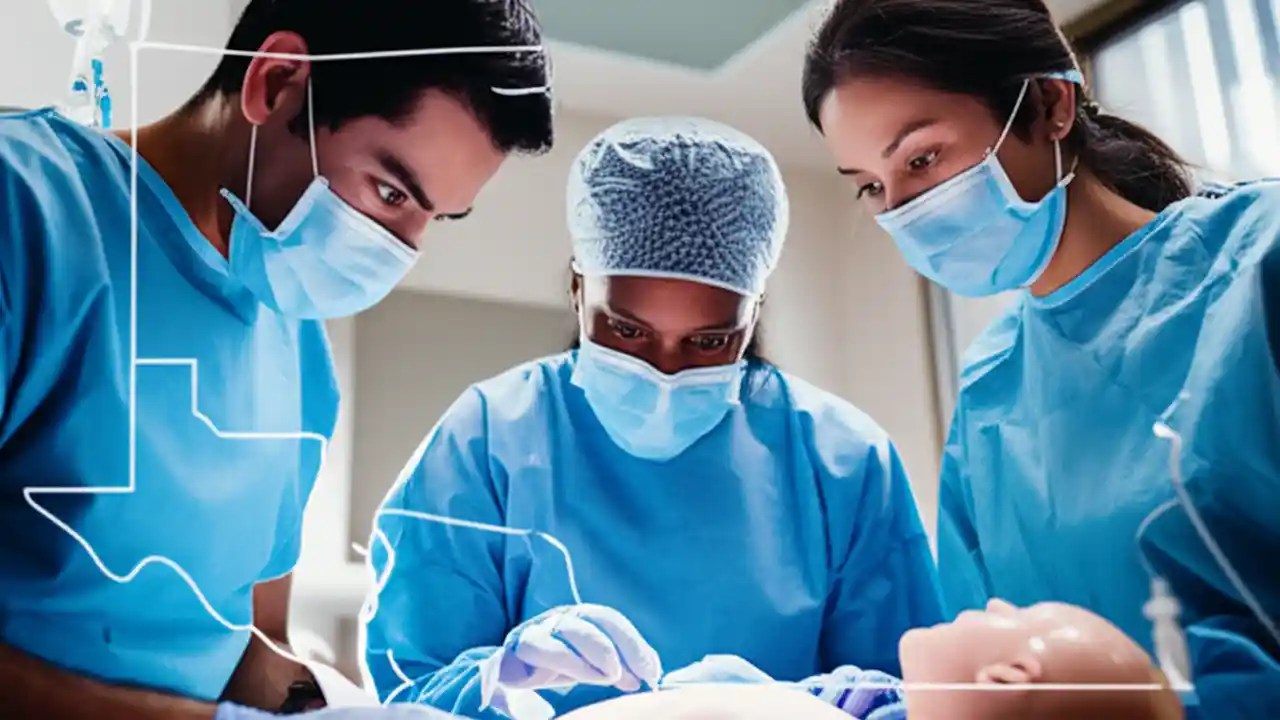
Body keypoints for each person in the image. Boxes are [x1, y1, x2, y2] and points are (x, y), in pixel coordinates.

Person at [0, 0, 551, 717]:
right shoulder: (26, 211)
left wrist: (348, 707)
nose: (402, 251)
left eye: (433, 219)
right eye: (389, 192)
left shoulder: (299, 356)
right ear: (278, 82)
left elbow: (245, 644)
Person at [361, 117, 944, 720]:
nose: (664, 375)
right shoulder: (489, 436)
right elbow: (409, 690)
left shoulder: (842, 459)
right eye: (628, 332)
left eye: (709, 342)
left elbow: (920, 697)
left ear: (753, 316)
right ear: (578, 290)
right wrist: (498, 679)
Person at [802, 0, 1280, 716]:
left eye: (922, 159)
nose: (901, 210)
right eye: (872, 186)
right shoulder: (992, 392)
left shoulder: (1257, 267)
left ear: (1051, 104)